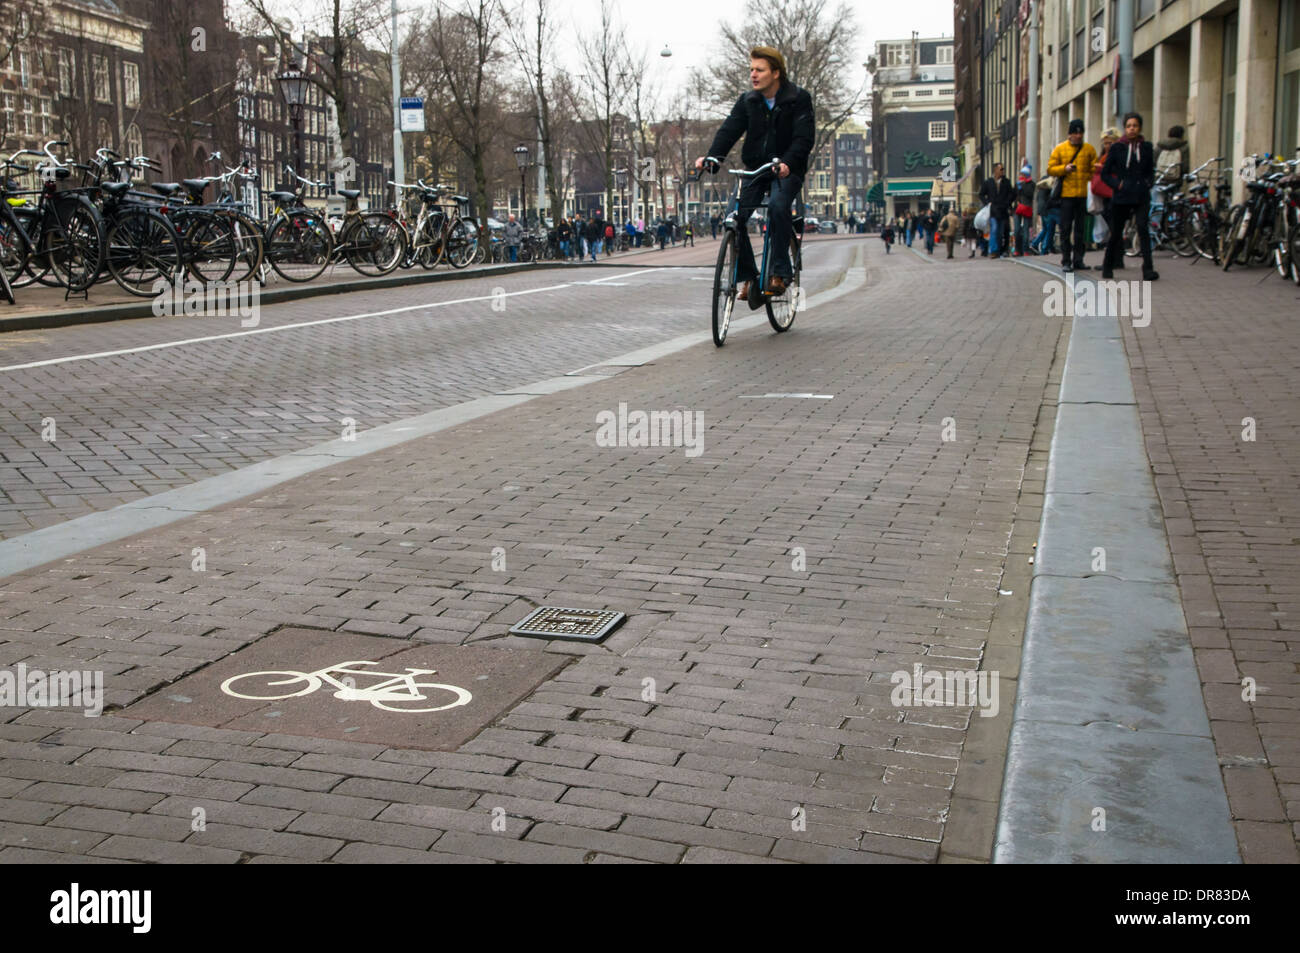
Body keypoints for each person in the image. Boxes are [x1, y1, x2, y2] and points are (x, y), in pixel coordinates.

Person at [695, 44, 814, 301]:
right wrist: (713, 158)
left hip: (785, 170)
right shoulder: (748, 101)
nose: (753, 74)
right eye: (751, 69)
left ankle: (780, 272)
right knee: (733, 216)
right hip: (756, 170)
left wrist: (788, 163)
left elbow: (804, 139)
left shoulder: (798, 99)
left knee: (777, 207)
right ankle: (749, 277)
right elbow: (729, 130)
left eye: (759, 70)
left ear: (776, 73)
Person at [1101, 112, 1158, 281]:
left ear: (1140, 128)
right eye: (1129, 126)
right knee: (1117, 232)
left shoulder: (1146, 147)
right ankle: (1107, 265)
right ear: (1125, 129)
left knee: (1142, 228)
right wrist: (1117, 184)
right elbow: (1105, 173)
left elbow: (1150, 171)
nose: (1132, 129)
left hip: (1141, 195)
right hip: (1122, 196)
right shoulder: (1118, 147)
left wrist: (1148, 183)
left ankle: (1148, 268)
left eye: (1135, 126)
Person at [1047, 118, 1098, 273]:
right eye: (1075, 132)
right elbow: (1050, 169)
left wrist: (1087, 177)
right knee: (1065, 229)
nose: (1078, 135)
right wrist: (1065, 168)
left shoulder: (1089, 149)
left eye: (1080, 132)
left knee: (1080, 230)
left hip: (1082, 195)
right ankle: (1066, 260)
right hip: (1066, 196)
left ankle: (1078, 259)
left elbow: (1093, 169)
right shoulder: (1060, 149)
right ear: (1069, 134)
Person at [1092, 127, 1122, 269]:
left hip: (1114, 194)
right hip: (1105, 194)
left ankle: (1114, 261)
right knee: (1113, 227)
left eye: (1110, 142)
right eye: (1105, 143)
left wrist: (1101, 168)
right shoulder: (1104, 156)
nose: (1107, 146)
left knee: (1114, 227)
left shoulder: (1119, 155)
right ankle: (1116, 259)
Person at [978, 163, 1014, 259]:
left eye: (1003, 169)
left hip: (1003, 211)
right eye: (1001, 169)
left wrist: (1007, 203)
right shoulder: (988, 182)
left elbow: (1011, 194)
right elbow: (981, 194)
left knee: (1000, 231)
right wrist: (987, 203)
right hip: (993, 211)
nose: (1003, 171)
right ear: (995, 170)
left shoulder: (1006, 182)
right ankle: (993, 251)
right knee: (994, 229)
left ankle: (999, 250)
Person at [1030, 175, 1060, 256]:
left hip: (1042, 208)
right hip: (1047, 209)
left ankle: (1035, 244)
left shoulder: (1042, 184)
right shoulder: (1049, 182)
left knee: (1046, 229)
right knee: (1049, 229)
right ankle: (1043, 248)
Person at [1154, 124, 1190, 190]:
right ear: (1181, 135)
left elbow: (1153, 162)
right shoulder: (1184, 147)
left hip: (1160, 178)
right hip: (1176, 180)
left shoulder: (1159, 146)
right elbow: (1185, 167)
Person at [1014, 164, 1035, 256]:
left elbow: (1030, 194)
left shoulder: (1031, 184)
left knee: (1026, 230)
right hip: (1018, 208)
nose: (1020, 176)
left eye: (1022, 174)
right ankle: (1017, 249)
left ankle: (1025, 250)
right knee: (1017, 230)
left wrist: (1022, 186)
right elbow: (1014, 195)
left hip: (1027, 208)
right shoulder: (1018, 183)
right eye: (1020, 174)